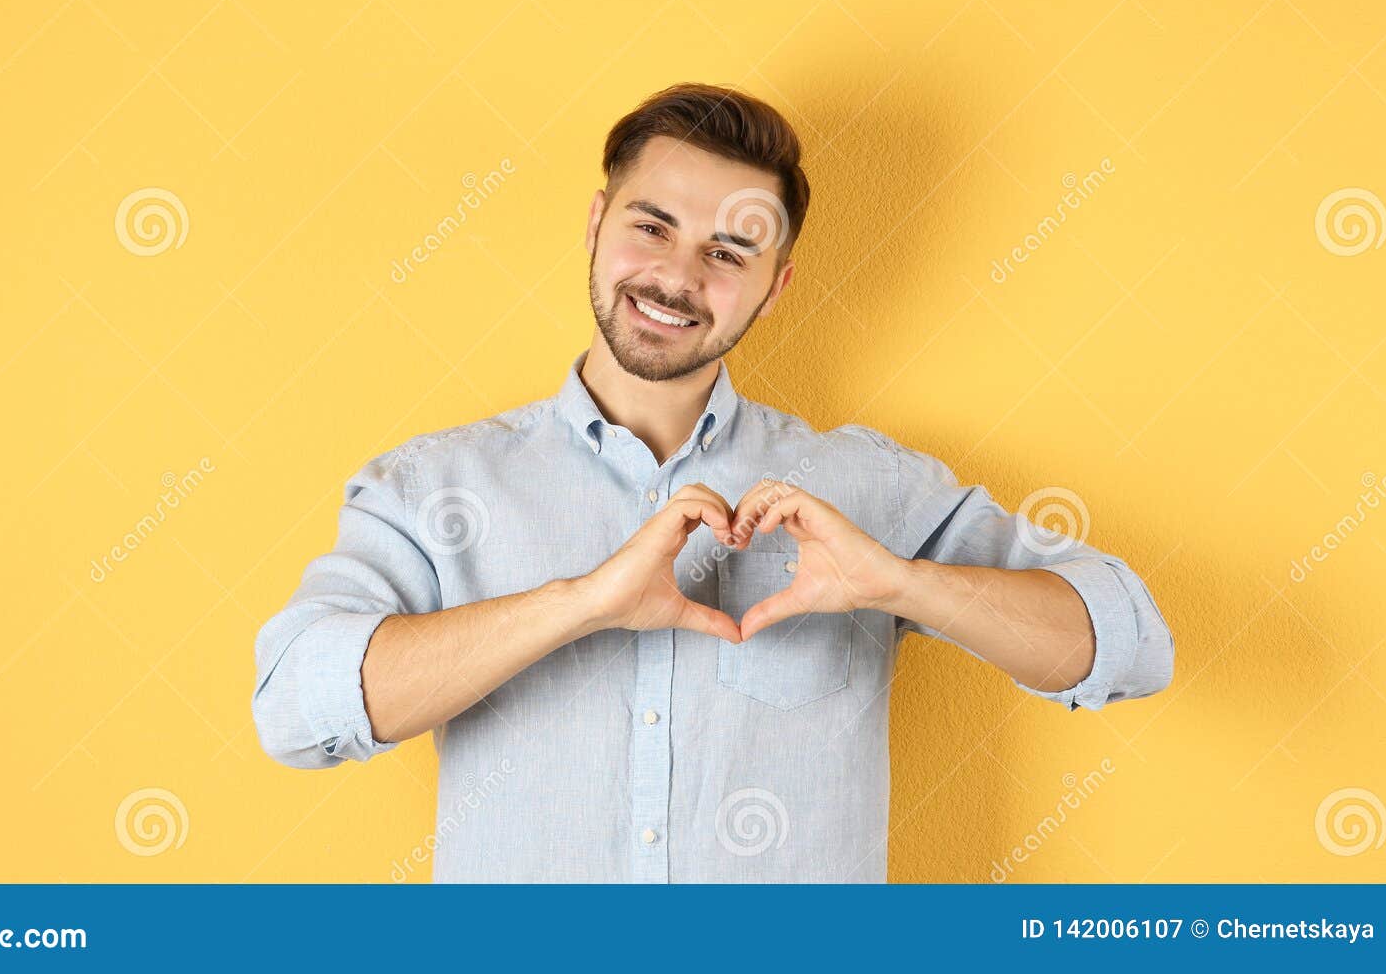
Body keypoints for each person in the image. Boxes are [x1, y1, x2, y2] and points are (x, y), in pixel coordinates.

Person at [251, 81, 1175, 882]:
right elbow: (294, 707)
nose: (677, 274)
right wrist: (581, 603)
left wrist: (900, 582)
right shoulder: (432, 487)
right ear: (596, 224)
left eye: (730, 252)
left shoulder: (866, 486)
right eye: (652, 224)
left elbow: (1132, 646)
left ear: (775, 287)